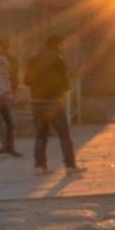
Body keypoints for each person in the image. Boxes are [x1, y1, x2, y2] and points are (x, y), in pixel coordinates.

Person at [25, 35, 82, 175]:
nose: (63, 47)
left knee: (41, 135)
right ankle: (70, 165)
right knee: (64, 135)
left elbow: (26, 81)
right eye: (62, 44)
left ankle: (40, 166)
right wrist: (60, 92)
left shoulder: (32, 60)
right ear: (57, 45)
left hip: (36, 103)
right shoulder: (58, 61)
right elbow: (64, 84)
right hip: (53, 103)